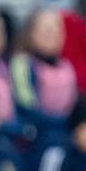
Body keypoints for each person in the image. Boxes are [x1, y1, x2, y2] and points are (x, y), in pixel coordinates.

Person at [10, 8, 79, 144]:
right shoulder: (22, 64)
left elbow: (74, 104)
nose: (52, 35)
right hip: (34, 138)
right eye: (46, 30)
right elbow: (26, 106)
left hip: (63, 134)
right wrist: (68, 122)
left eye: (56, 30)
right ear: (30, 34)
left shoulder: (67, 66)